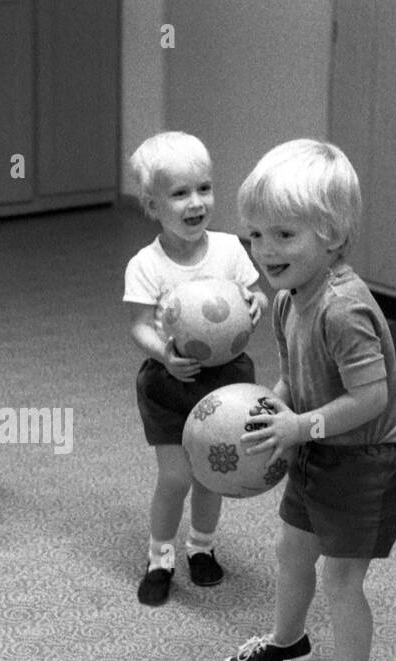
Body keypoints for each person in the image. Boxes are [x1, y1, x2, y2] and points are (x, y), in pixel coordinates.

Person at [221, 139, 396, 661]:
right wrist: (269, 406)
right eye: (254, 235)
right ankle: (288, 643)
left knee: (342, 576)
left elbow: (372, 397)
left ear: (330, 235)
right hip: (316, 449)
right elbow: (297, 377)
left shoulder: (342, 308)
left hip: (366, 460)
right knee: (291, 550)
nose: (264, 250)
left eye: (283, 235)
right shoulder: (287, 300)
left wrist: (301, 425)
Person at [124, 131, 265, 606]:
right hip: (169, 382)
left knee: (212, 475)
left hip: (227, 381)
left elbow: (254, 296)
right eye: (179, 193)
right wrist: (165, 354)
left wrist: (255, 302)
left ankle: (201, 547)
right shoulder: (147, 265)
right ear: (152, 205)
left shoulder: (228, 249)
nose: (195, 202)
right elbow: (140, 326)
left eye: (204, 188)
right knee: (176, 478)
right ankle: (159, 557)